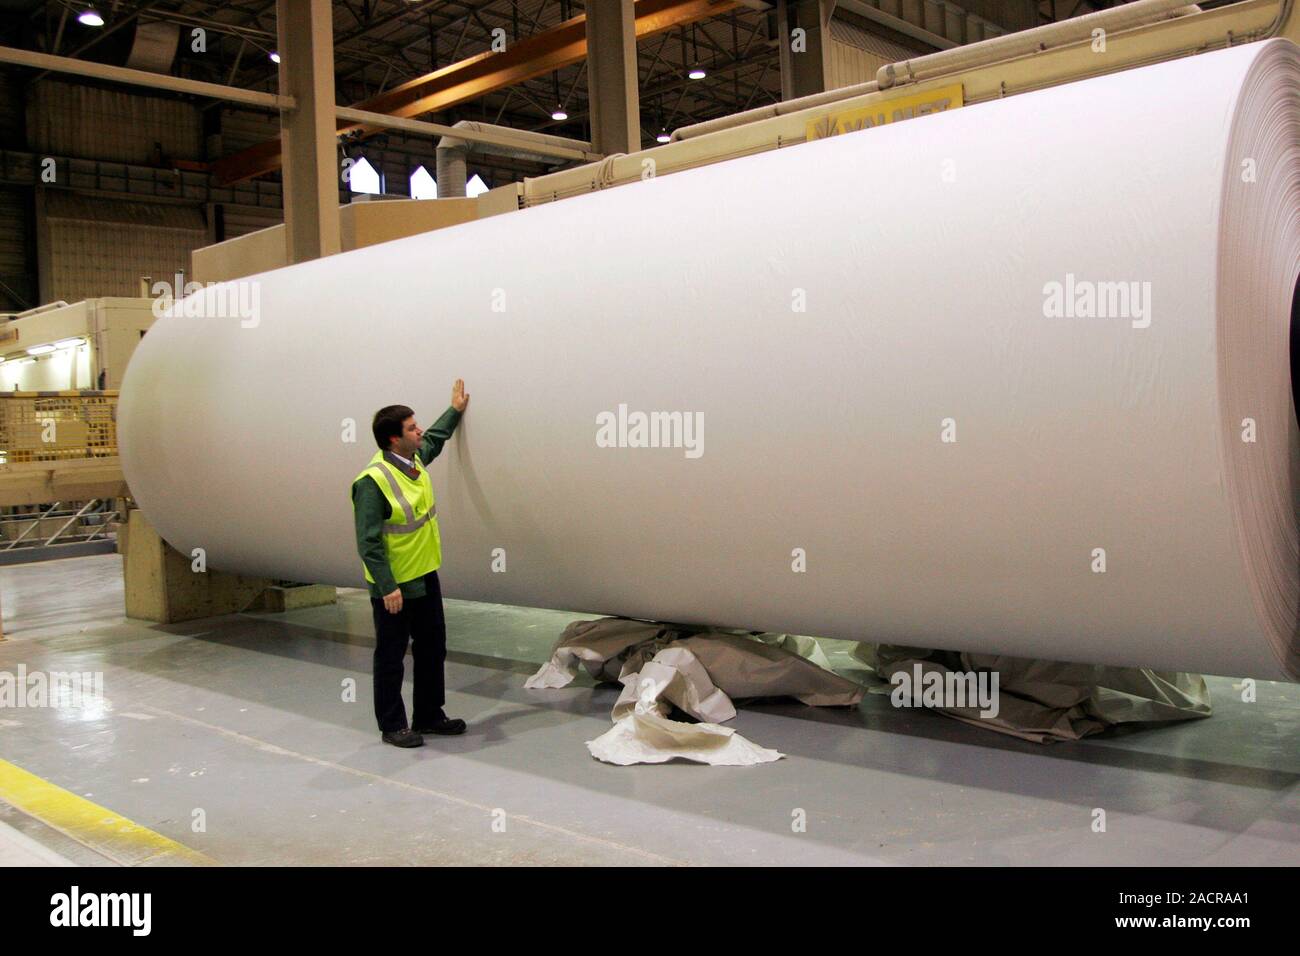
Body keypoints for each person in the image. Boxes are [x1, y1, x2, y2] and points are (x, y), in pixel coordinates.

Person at [352, 380, 469, 748]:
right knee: (391, 656)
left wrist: (455, 410)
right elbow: (368, 542)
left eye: (416, 425)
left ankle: (429, 715)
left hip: (424, 575)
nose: (419, 431)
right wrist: (387, 587)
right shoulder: (372, 482)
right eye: (411, 428)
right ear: (392, 439)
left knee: (433, 647)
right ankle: (392, 725)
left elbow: (435, 438)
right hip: (394, 588)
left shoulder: (413, 459)